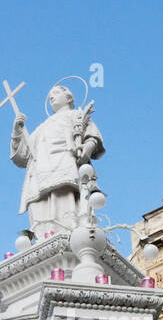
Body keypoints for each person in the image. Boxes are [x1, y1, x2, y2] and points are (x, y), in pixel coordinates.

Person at [10, 84, 104, 233]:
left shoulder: (76, 115)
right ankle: (43, 236)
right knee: (41, 217)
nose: (51, 97)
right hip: (39, 175)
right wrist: (17, 131)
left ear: (68, 97)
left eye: (55, 93)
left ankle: (71, 233)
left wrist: (87, 148)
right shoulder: (41, 128)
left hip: (64, 167)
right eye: (49, 96)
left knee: (66, 212)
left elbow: (92, 136)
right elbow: (23, 156)